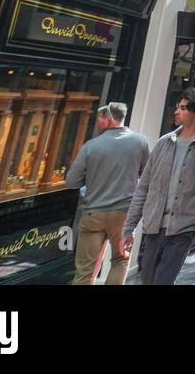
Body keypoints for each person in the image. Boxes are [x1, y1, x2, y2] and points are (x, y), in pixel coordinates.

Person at [122, 88, 195, 285]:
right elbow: (143, 187)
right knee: (147, 278)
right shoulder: (164, 143)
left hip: (184, 227)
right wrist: (129, 229)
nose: (176, 111)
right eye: (177, 107)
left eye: (183, 108)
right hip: (153, 225)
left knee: (163, 280)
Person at [66, 102, 150, 285]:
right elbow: (147, 177)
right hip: (123, 216)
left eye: (100, 119)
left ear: (109, 119)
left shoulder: (91, 146)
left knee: (84, 271)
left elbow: (72, 181)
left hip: (93, 213)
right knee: (120, 261)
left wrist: (88, 183)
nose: (98, 122)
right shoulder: (141, 142)